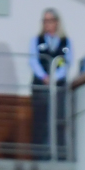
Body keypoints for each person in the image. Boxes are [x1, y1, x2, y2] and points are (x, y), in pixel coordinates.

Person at [29, 10, 72, 157]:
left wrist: (55, 77)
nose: (47, 24)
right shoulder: (37, 40)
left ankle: (59, 153)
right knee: (40, 120)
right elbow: (33, 61)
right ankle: (40, 155)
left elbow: (67, 62)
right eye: (45, 21)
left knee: (58, 119)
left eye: (50, 20)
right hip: (41, 86)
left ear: (57, 22)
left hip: (58, 86)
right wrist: (44, 76)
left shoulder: (65, 41)